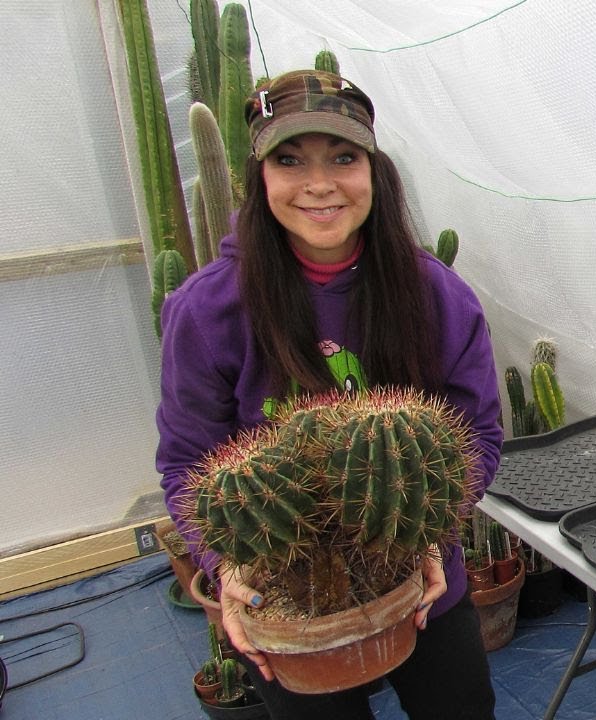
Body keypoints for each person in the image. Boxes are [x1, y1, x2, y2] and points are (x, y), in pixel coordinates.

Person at [155, 69, 503, 719]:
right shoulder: (207, 310)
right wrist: (227, 566)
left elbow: (478, 432)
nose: (319, 183)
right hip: (283, 599)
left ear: (375, 171)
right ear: (259, 179)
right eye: (290, 160)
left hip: (421, 581)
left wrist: (428, 533)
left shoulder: (435, 294)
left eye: (343, 157)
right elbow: (185, 461)